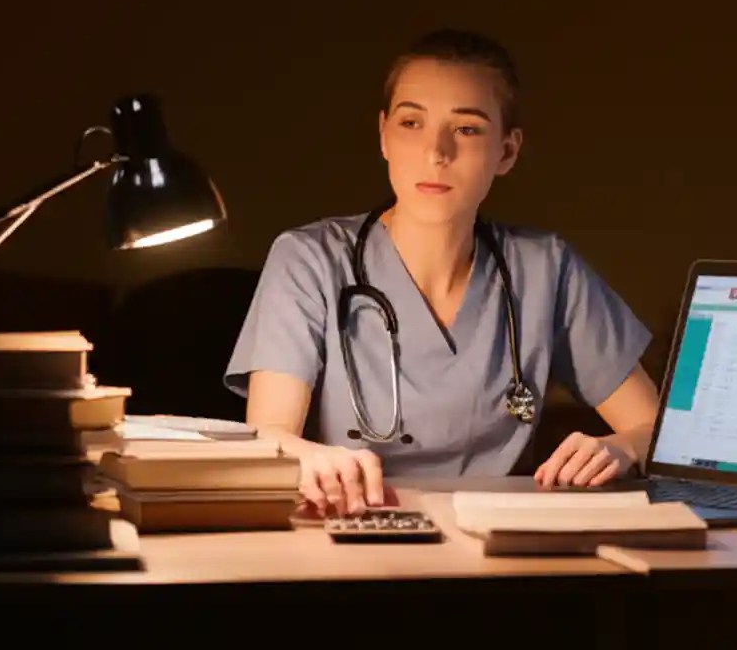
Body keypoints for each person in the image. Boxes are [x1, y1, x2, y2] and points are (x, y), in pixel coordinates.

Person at [224, 28, 660, 516]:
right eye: (412, 123)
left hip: (502, 547)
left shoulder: (546, 269)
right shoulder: (309, 260)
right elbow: (269, 436)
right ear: (384, 135)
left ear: (507, 152)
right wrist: (309, 457)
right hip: (359, 532)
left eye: (467, 129)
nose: (437, 152)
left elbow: (656, 431)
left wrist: (620, 447)